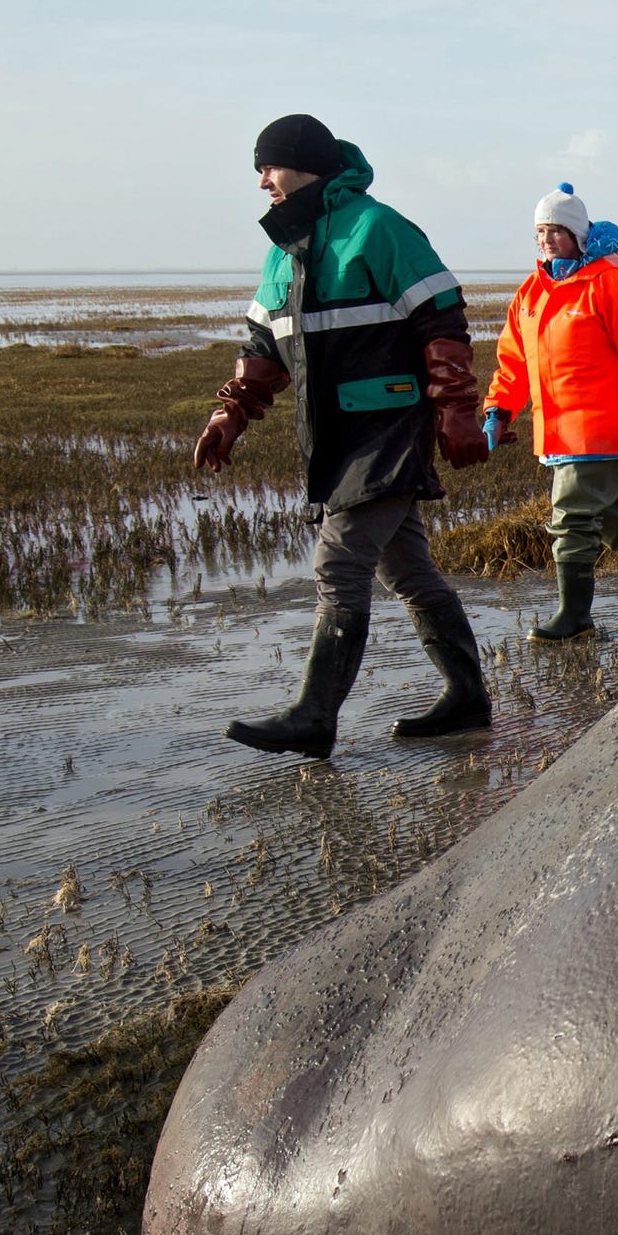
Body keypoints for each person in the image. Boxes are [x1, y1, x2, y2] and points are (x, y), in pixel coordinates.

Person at [194, 114, 492, 756]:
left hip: (385, 430)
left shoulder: (379, 228)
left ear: (305, 164)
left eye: (267, 167)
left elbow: (441, 321)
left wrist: (457, 409)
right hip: (333, 438)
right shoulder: (283, 251)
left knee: (339, 561)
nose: (262, 182)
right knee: (408, 569)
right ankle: (467, 697)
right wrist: (232, 412)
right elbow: (261, 346)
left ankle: (313, 716)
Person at [482, 183, 618, 640]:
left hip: (599, 428)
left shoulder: (612, 286)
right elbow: (513, 362)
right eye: (540, 231)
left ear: (578, 234)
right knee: (610, 514)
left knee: (570, 516)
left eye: (556, 230)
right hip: (555, 432)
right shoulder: (531, 294)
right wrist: (498, 410)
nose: (547, 239)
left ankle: (575, 618)